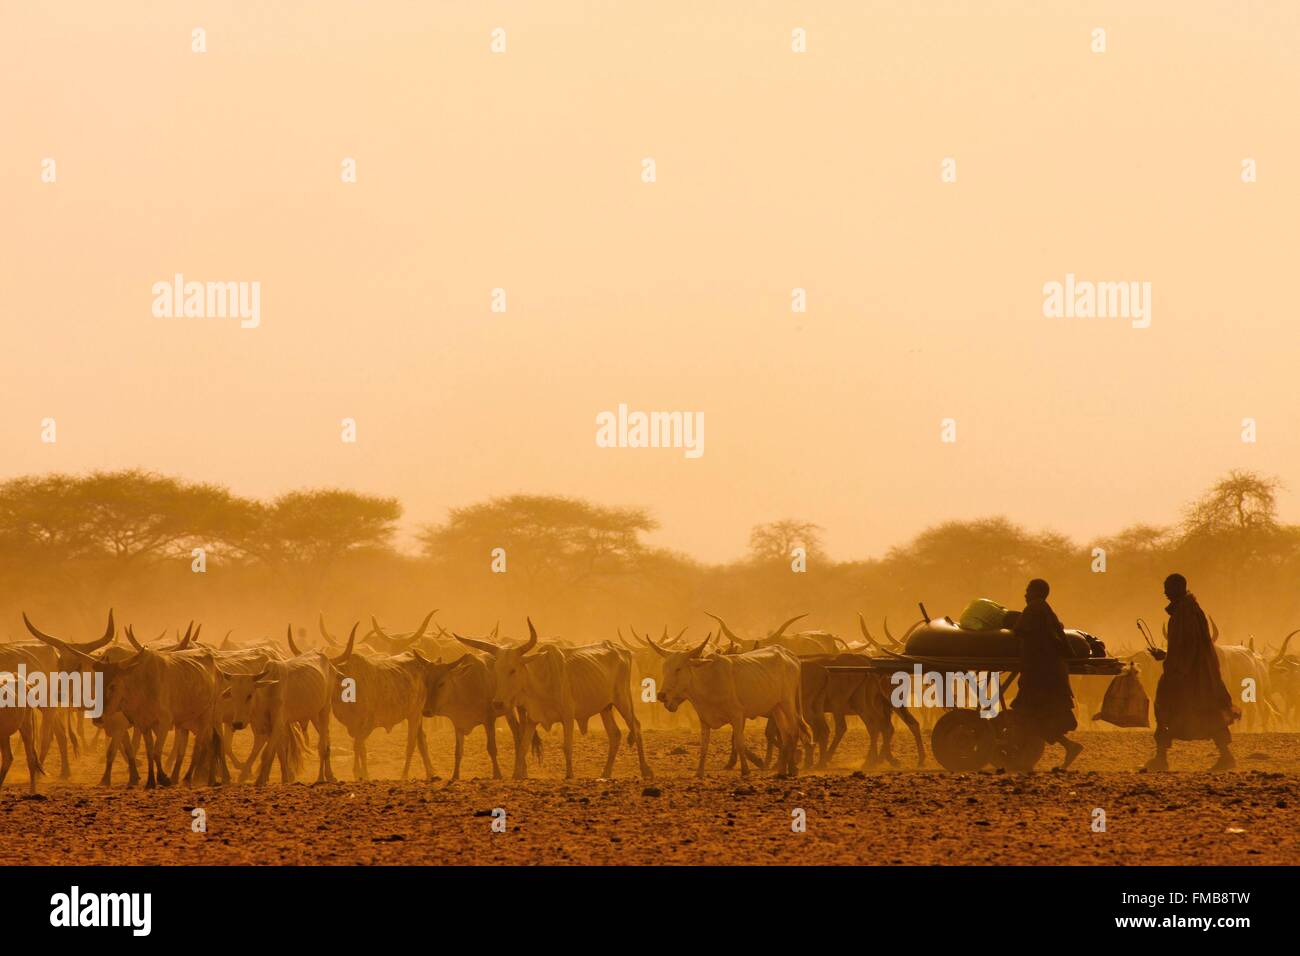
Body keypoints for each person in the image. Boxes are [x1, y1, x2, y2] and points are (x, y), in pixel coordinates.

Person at [1145, 574, 1238, 771]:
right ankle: (1225, 756)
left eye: (1168, 588)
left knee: (1167, 709)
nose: (1165, 593)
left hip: (1188, 675)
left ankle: (1162, 758)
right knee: (1207, 712)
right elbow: (1186, 646)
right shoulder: (1188, 610)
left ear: (1178, 588)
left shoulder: (1185, 613)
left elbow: (1187, 648)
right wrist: (1168, 655)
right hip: (1196, 674)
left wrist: (1177, 670)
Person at [1011, 578, 1083, 768]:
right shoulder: (1047, 610)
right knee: (1039, 716)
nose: (1025, 594)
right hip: (1048, 673)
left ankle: (1013, 751)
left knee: (1026, 713)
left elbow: (1018, 631)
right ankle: (1068, 746)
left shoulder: (1033, 608)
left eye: (1028, 590)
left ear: (1036, 592)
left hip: (1038, 675)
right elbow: (1061, 637)